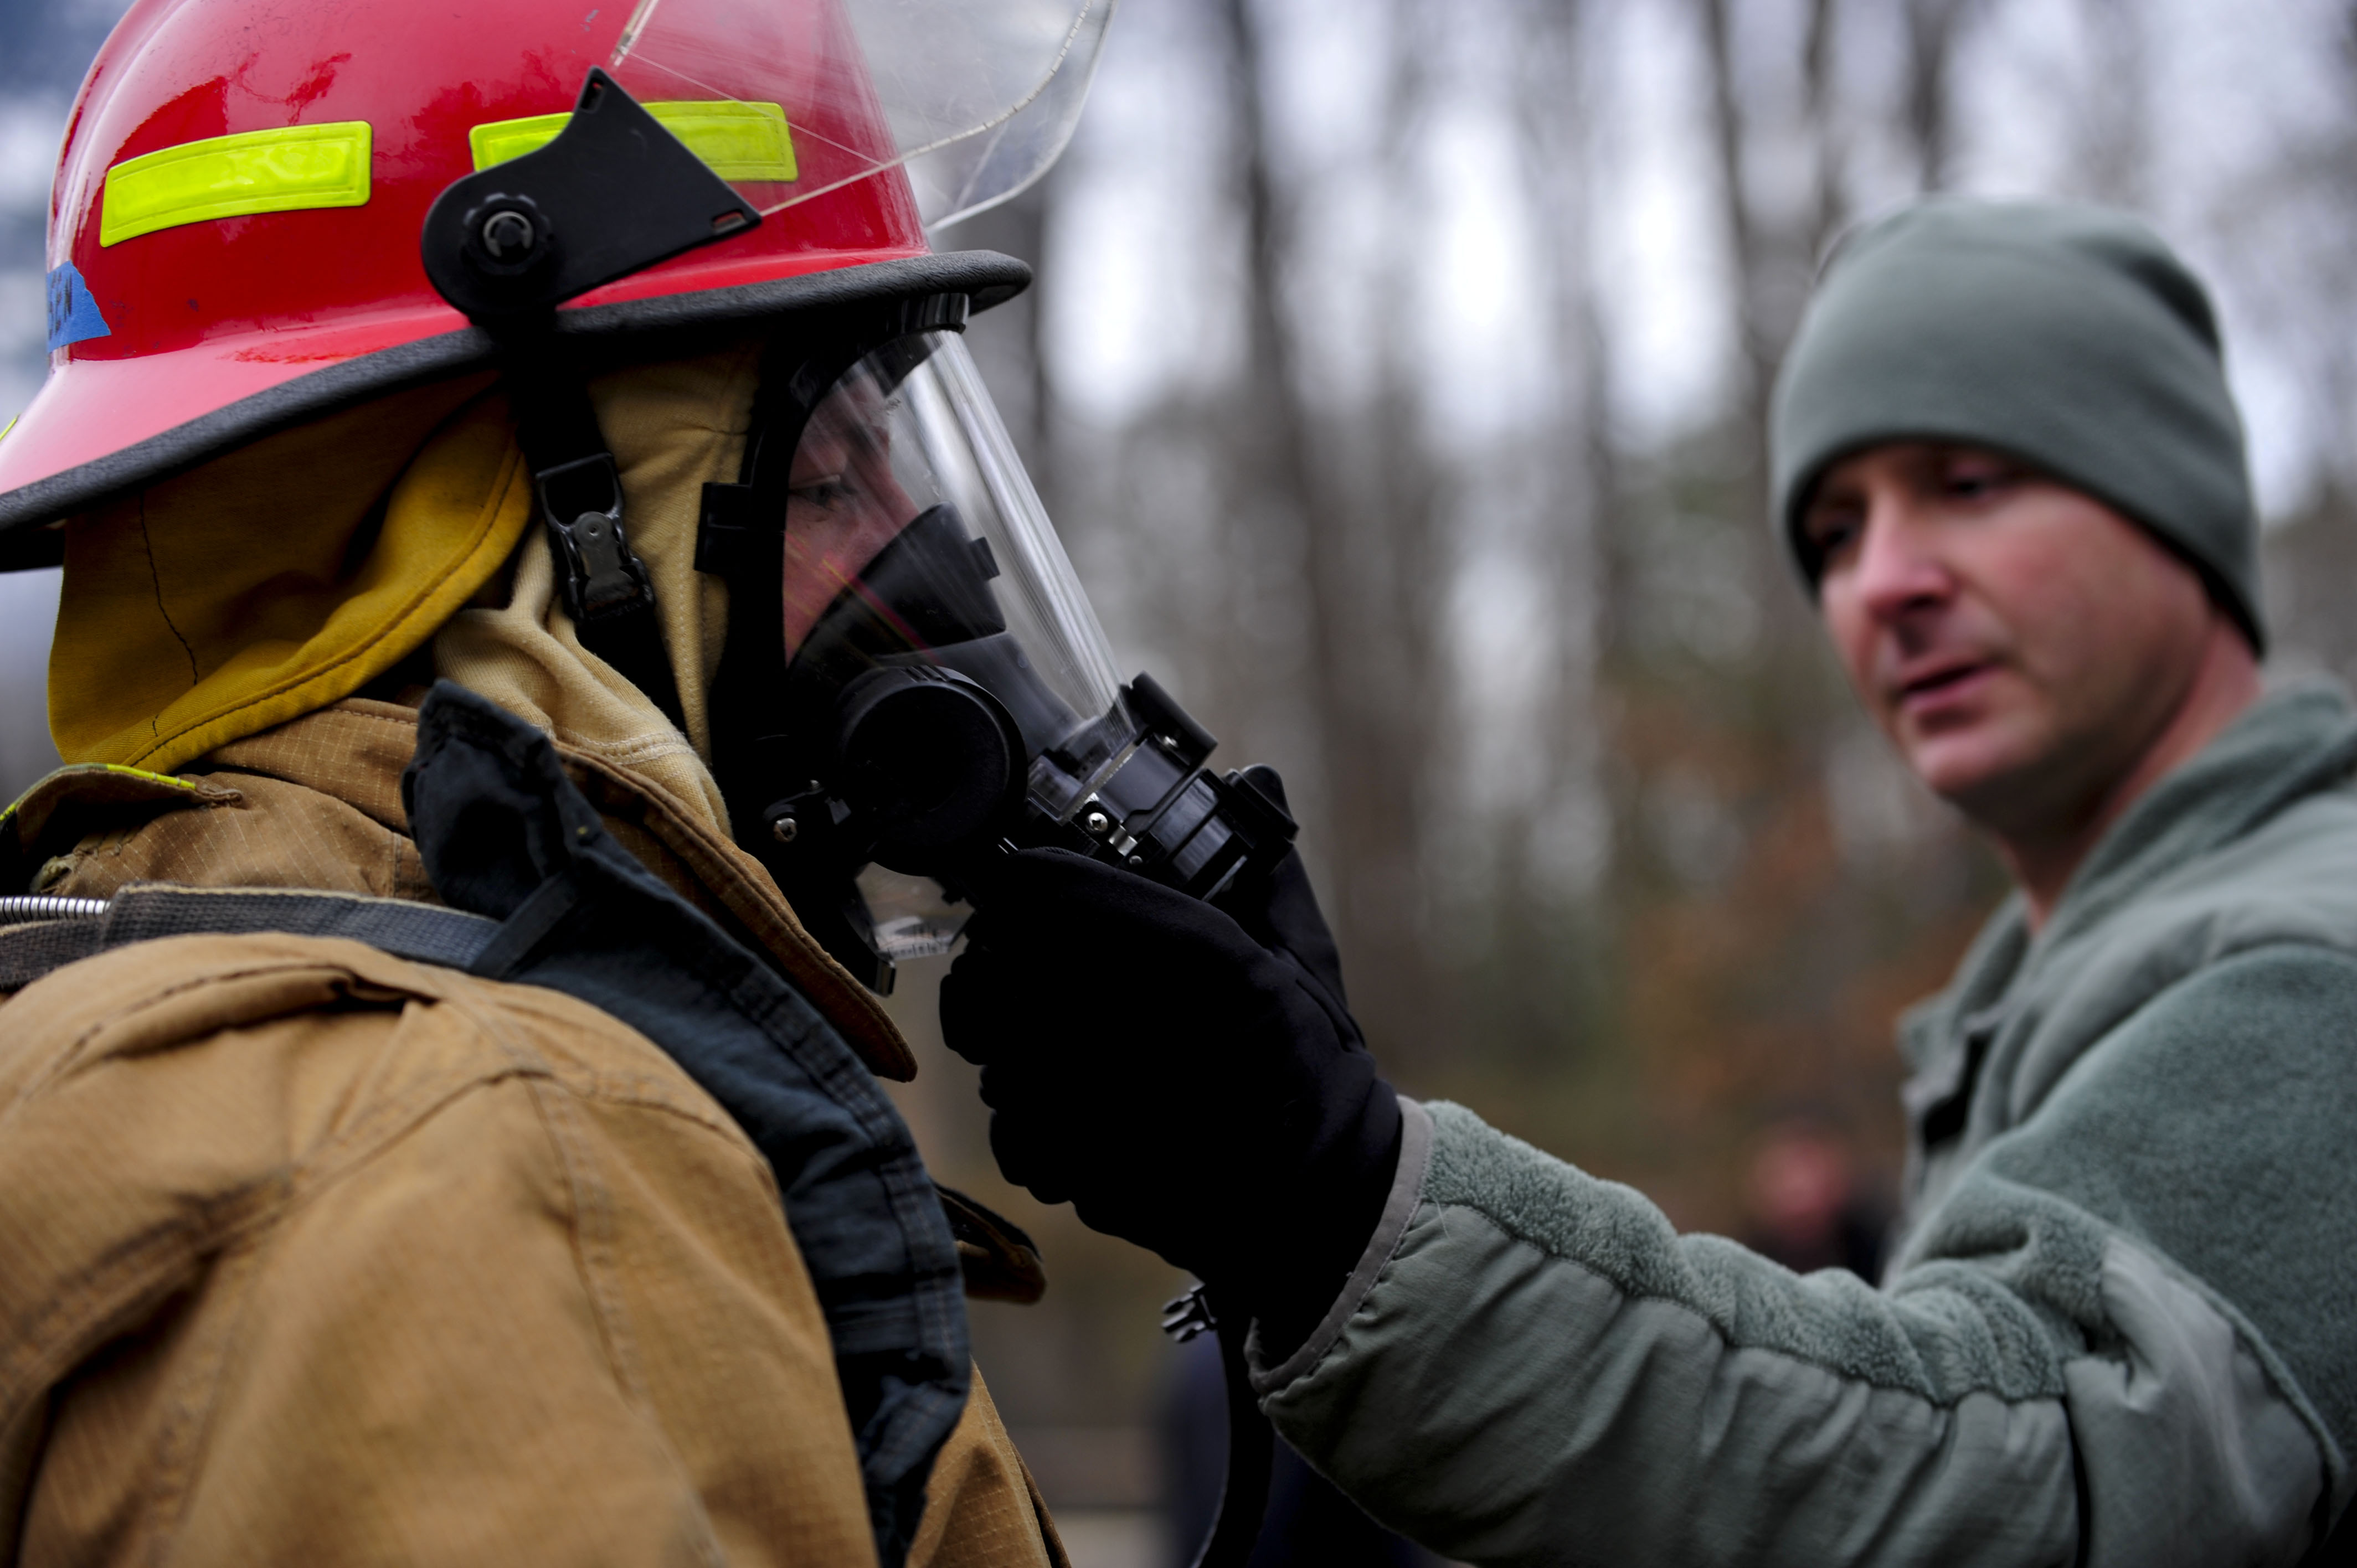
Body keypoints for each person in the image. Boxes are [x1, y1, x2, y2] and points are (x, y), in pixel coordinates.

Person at [938, 199, 2357, 1564]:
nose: (1884, 583)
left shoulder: (2305, 966)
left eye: (1969, 485)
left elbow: (2031, 1473)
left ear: (2175, 505)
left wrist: (1341, 1201)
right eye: (1835, 533)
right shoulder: (2063, 992)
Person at [0, 0, 1131, 1562]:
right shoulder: (465, 1165)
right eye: (820, 475)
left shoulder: (175, 1009)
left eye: (902, 458)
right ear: (516, 542)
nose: (915, 561)